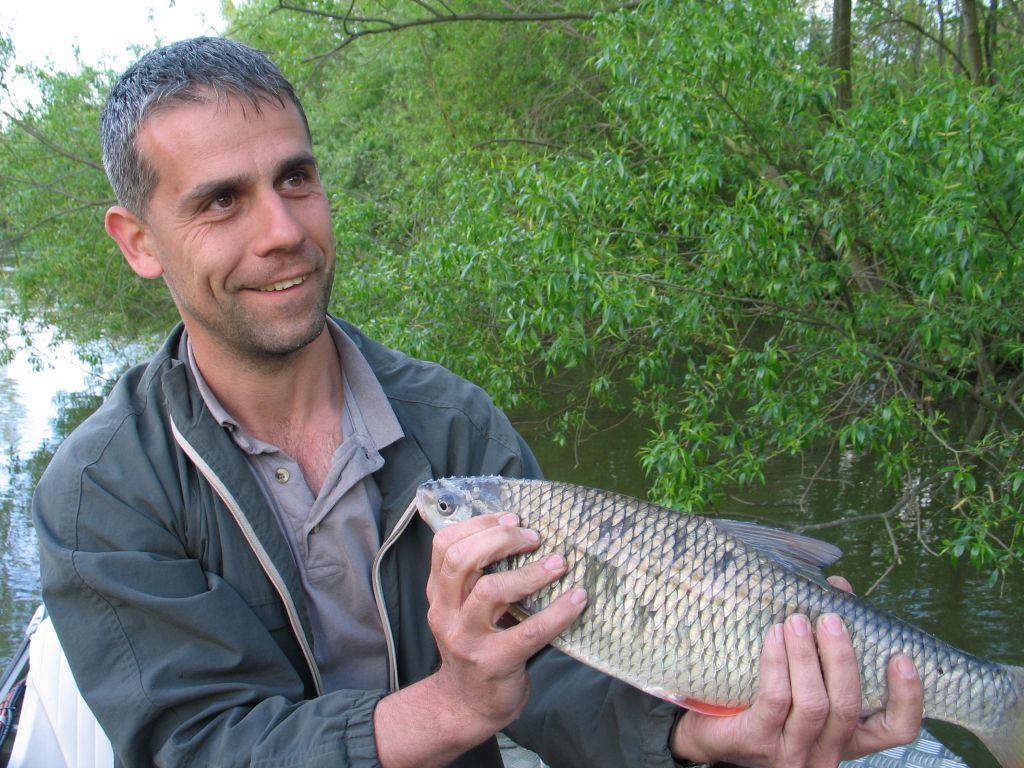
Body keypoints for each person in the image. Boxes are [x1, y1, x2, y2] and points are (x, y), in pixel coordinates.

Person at [33, 36, 923, 768]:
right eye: (222, 201)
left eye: (295, 179)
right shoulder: (100, 490)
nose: (283, 231)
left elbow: (558, 663)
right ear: (139, 242)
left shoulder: (453, 419)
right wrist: (454, 706)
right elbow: (195, 746)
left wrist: (695, 733)